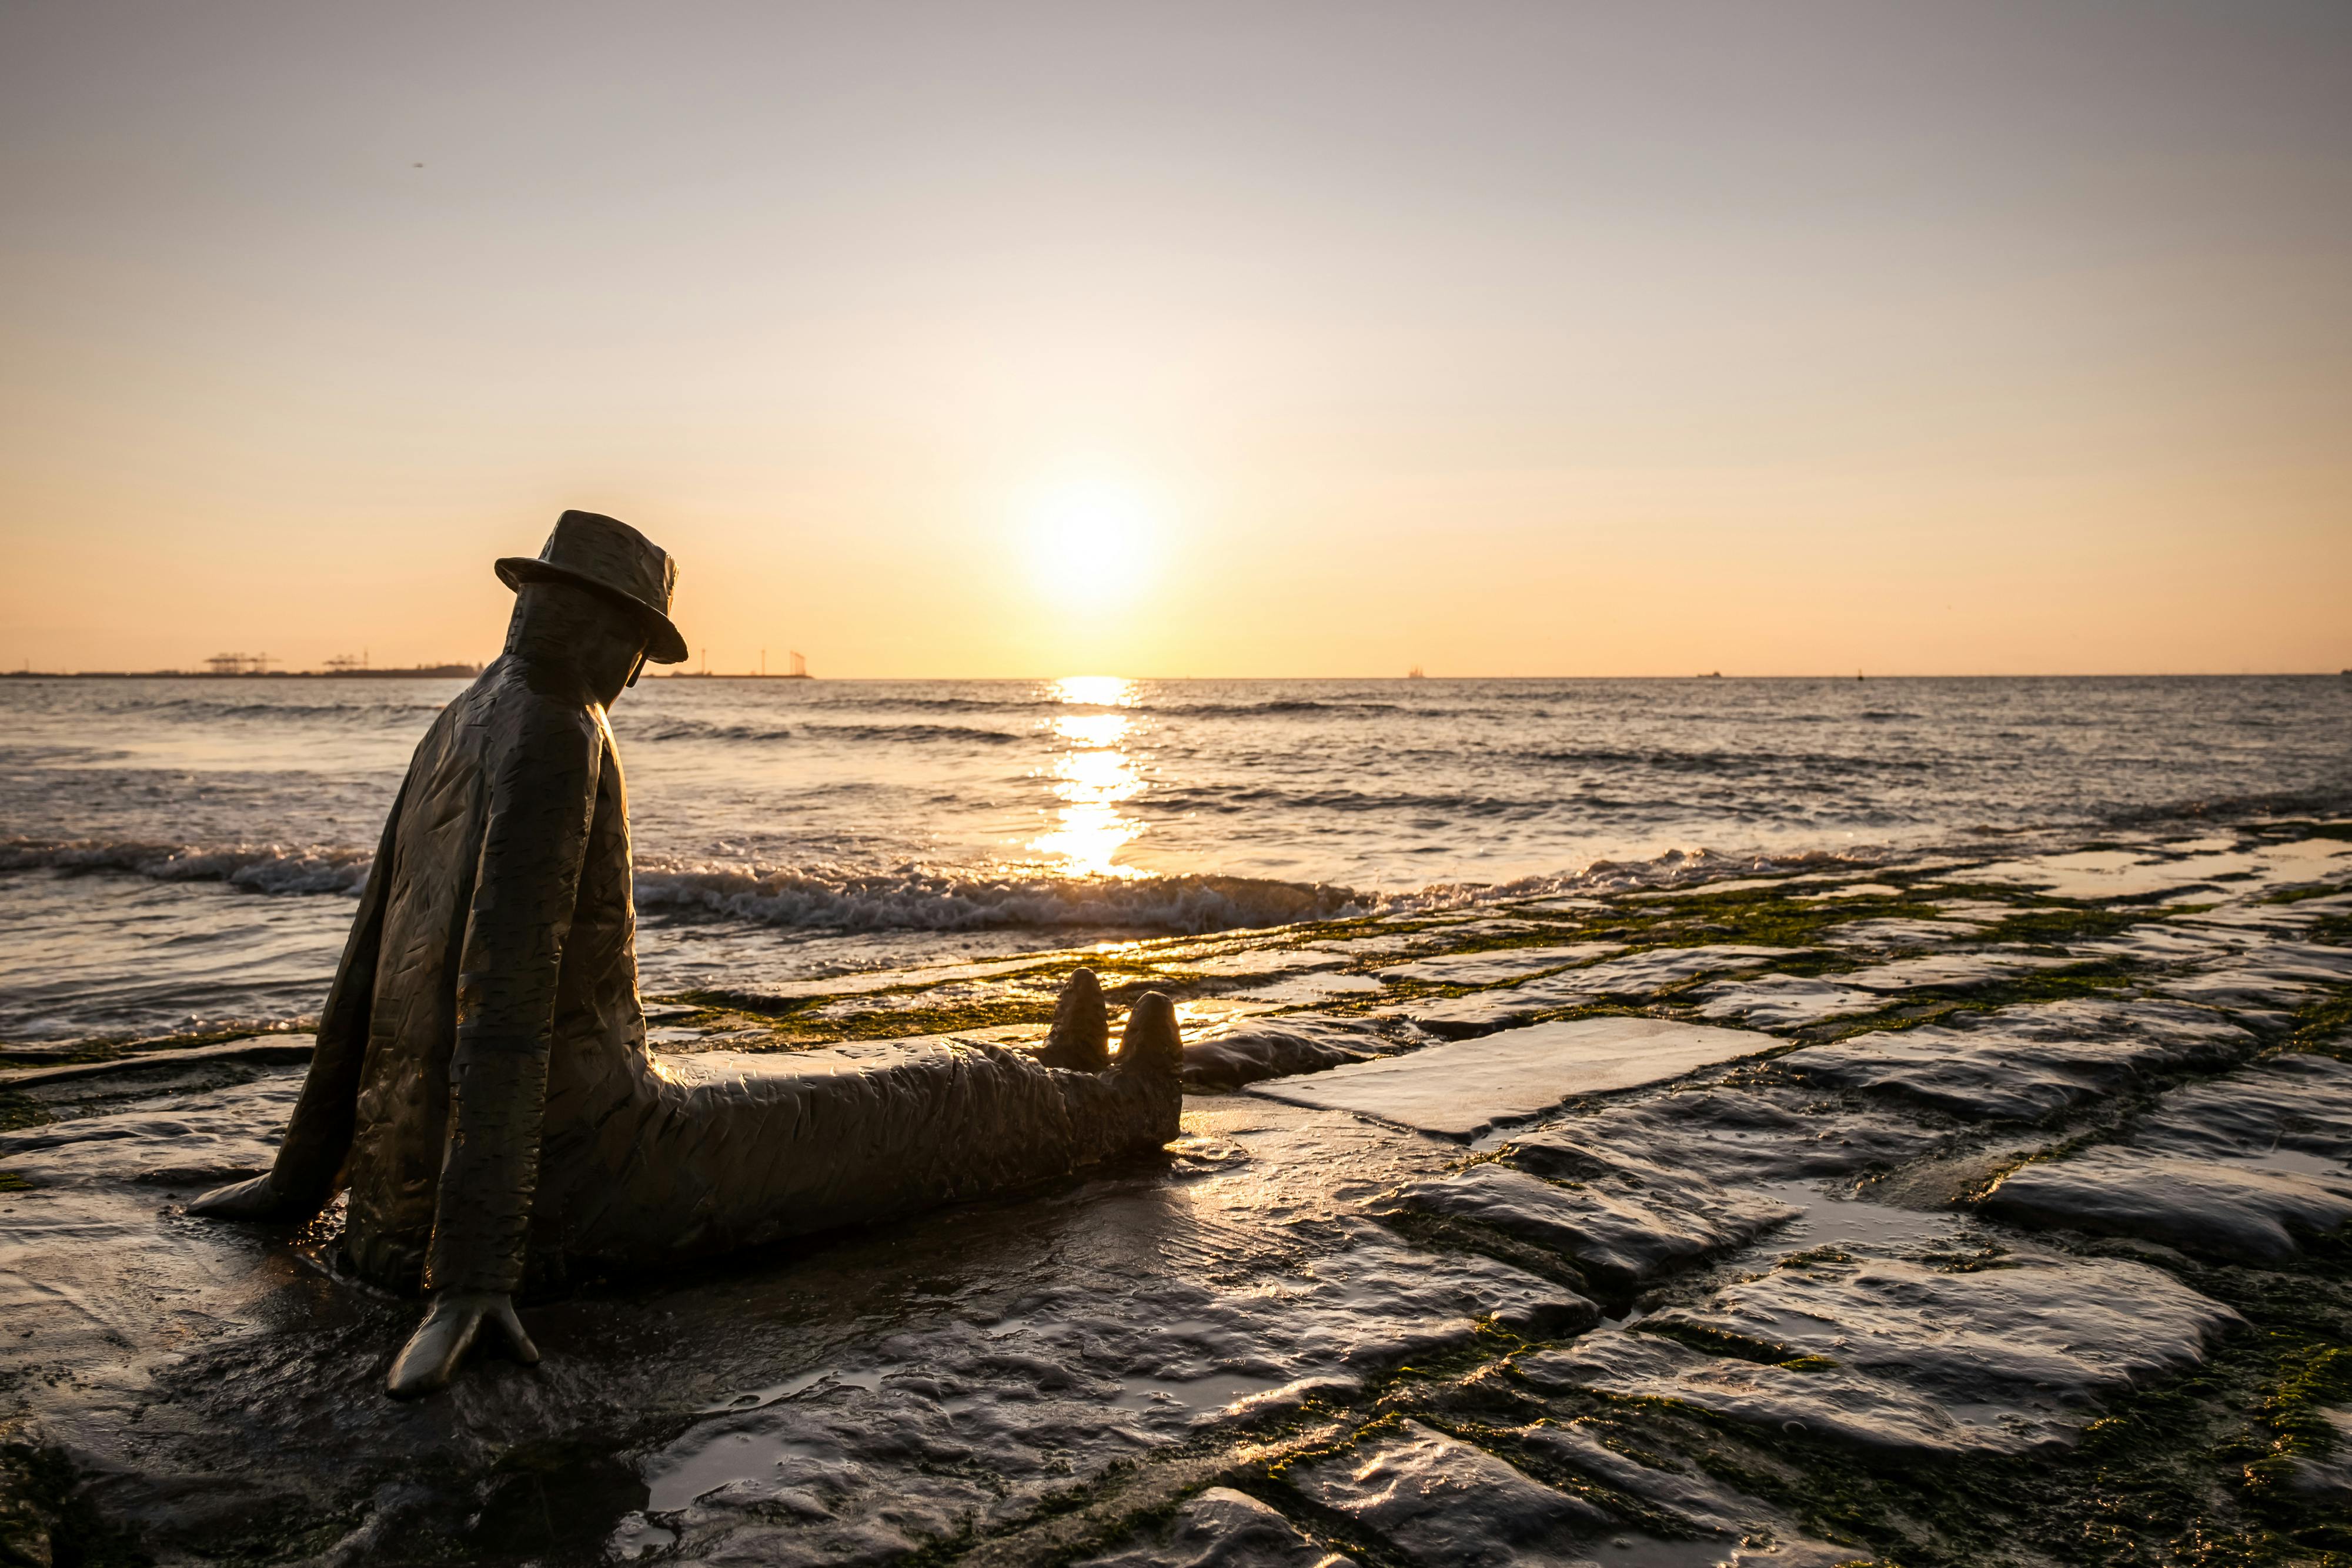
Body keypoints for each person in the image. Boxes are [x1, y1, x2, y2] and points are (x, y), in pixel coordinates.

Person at [190, 511, 1182, 1396]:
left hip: (398, 1203)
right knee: (902, 1111)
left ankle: (1065, 1078)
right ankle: (1122, 1103)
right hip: (582, 1182)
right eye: (638, 652)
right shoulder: (557, 732)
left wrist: (303, 1176)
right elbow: (507, 1003)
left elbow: (361, 971)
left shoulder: (455, 723)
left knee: (836, 1098)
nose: (633, 677)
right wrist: (474, 1281)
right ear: (616, 630)